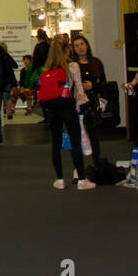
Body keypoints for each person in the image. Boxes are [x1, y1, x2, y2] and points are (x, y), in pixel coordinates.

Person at [39, 36, 91, 189]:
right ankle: (82, 179)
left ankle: (59, 179)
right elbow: (79, 90)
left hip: (53, 109)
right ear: (67, 50)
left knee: (55, 144)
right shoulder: (72, 66)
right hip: (68, 107)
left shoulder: (48, 68)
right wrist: (83, 105)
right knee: (75, 143)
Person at [71, 35, 107, 165]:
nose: (80, 48)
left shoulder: (96, 63)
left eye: (82, 44)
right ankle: (78, 169)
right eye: (76, 46)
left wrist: (93, 86)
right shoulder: (72, 65)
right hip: (78, 104)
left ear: (86, 45)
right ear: (73, 49)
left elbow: (103, 82)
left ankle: (97, 162)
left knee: (94, 135)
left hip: (93, 102)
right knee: (77, 136)